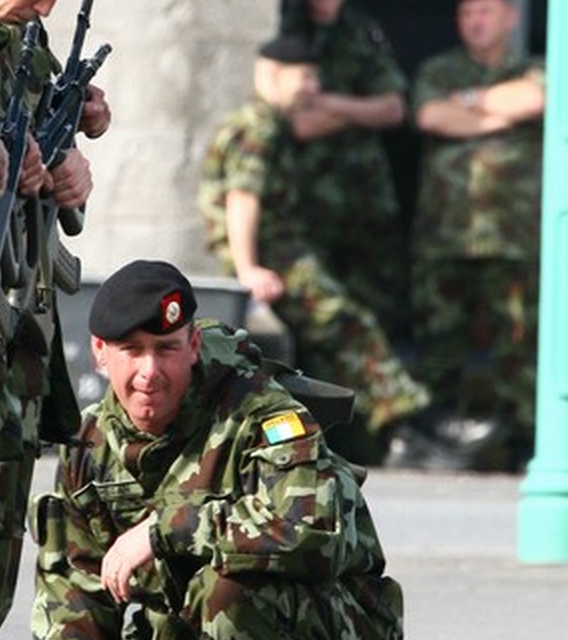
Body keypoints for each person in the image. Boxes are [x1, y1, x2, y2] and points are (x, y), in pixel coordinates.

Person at [27, 260, 404, 640]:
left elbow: (311, 529)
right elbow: (71, 620)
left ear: (194, 344)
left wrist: (166, 529)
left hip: (325, 637)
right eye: (131, 351)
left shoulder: (259, 410)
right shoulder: (89, 449)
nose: (150, 373)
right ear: (99, 353)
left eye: (168, 350)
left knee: (231, 585)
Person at [199, 32, 490, 468]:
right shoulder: (257, 127)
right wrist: (248, 268)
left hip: (286, 250)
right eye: (307, 77)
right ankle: (416, 418)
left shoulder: (270, 123)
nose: (314, 88)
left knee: (337, 339)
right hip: (278, 255)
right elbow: (243, 197)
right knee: (347, 324)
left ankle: (391, 432)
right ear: (273, 74)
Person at [409, 0, 546, 469]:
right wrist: (497, 115)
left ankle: (522, 448)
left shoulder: (534, 68)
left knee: (518, 351)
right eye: (466, 13)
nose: (475, 21)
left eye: (486, 11)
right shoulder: (439, 71)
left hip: (514, 239)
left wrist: (467, 108)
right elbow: (428, 116)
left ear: (509, 15)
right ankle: (440, 441)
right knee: (441, 349)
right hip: (446, 236)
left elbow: (536, 99)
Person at [279, 0, 408, 331]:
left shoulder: (362, 30)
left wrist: (330, 103)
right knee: (313, 317)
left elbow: (393, 109)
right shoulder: (287, 26)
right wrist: (359, 108)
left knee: (369, 314)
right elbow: (294, 120)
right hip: (305, 200)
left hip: (364, 201)